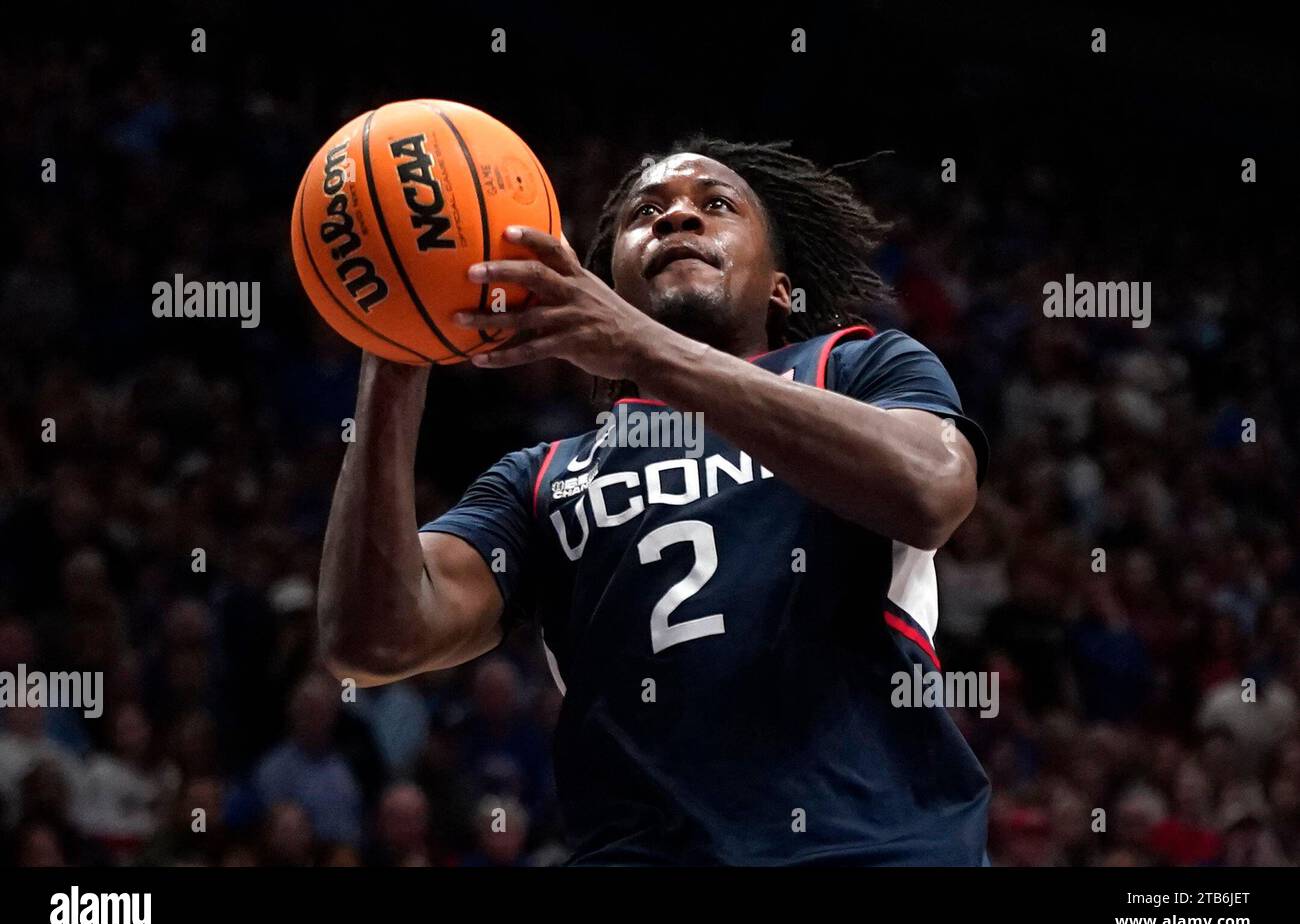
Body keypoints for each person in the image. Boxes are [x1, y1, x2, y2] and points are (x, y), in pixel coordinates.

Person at [319, 138, 990, 865]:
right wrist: (393, 345)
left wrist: (645, 350)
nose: (677, 219)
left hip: (874, 851)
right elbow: (372, 641)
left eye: (716, 205)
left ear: (778, 287)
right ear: (609, 284)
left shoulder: (856, 367)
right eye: (648, 211)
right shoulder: (538, 481)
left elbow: (931, 489)